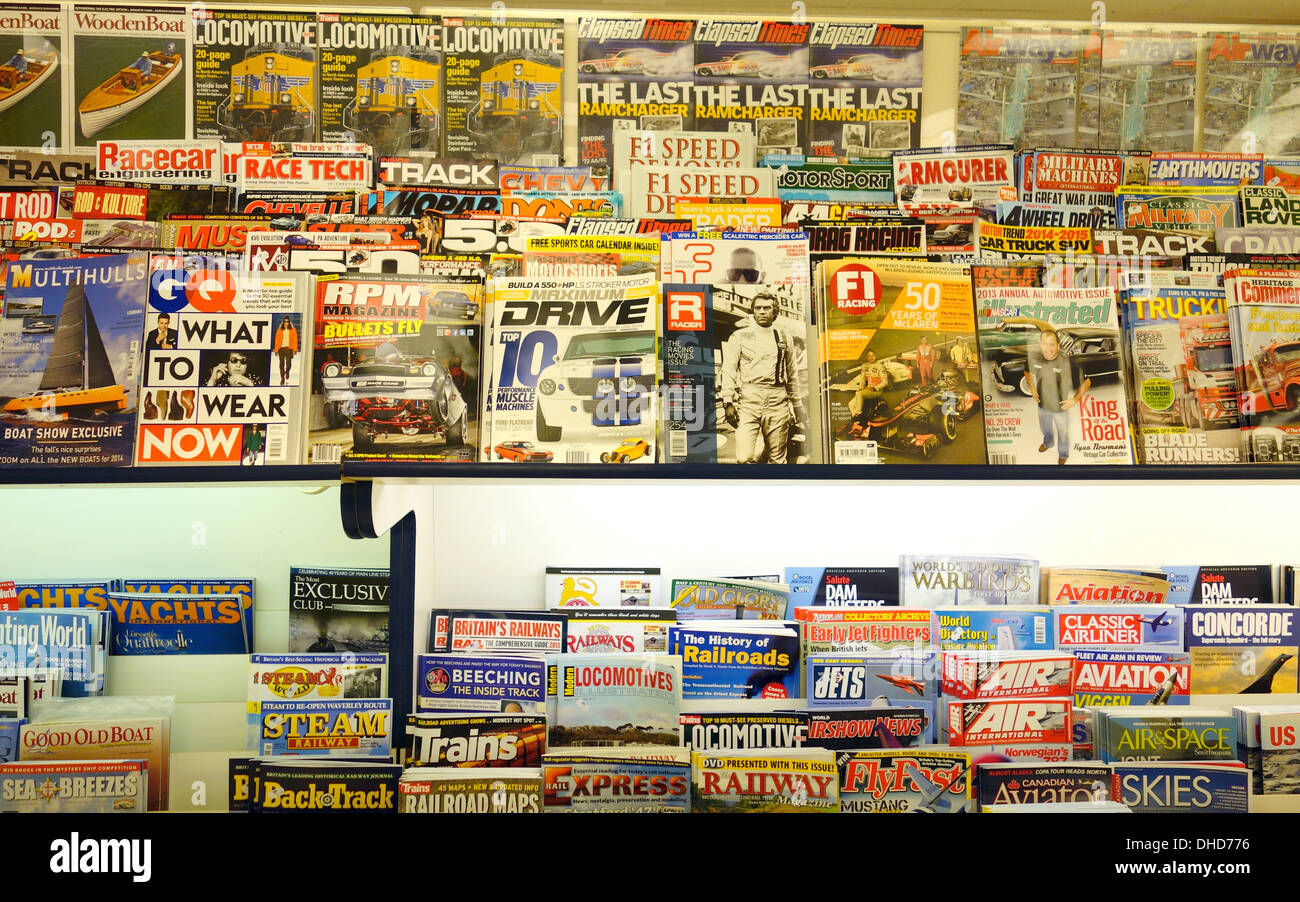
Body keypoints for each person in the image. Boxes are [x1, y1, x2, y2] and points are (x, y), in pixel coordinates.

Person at [720, 290, 804, 464]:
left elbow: (792, 375)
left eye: (767, 308)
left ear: (775, 312)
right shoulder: (739, 336)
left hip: (777, 400)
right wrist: (727, 401)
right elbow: (728, 369)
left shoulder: (784, 338)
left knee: (777, 458)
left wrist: (797, 406)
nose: (762, 311)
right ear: (753, 311)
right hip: (750, 399)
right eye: (758, 308)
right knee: (744, 457)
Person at [1025, 328, 1089, 465]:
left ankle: (1063, 454)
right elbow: (1027, 372)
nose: (1048, 349)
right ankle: (1048, 443)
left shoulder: (1069, 363)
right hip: (1042, 405)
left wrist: (1075, 399)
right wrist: (1032, 388)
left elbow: (1087, 382)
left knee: (1063, 434)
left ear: (1058, 345)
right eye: (1045, 344)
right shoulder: (1035, 358)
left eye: (1052, 344)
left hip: (1061, 409)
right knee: (1045, 428)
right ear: (1040, 344)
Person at [847, 350, 888, 421]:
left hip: (877, 390)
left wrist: (875, 388)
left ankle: (858, 414)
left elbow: (885, 382)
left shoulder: (880, 367)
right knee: (850, 404)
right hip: (867, 389)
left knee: (858, 393)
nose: (871, 357)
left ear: (876, 356)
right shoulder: (864, 366)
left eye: (873, 355)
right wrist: (861, 387)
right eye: (869, 356)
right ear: (867, 357)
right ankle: (858, 421)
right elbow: (862, 380)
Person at [272, 317, 298, 385]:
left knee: (289, 364)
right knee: (281, 364)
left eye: (287, 321)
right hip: (281, 349)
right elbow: (277, 341)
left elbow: (295, 340)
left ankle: (287, 371)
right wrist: (276, 350)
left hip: (289, 349)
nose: (286, 323)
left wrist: (295, 349)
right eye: (285, 321)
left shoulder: (293, 330)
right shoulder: (279, 330)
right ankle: (282, 378)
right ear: (283, 322)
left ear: (289, 322)